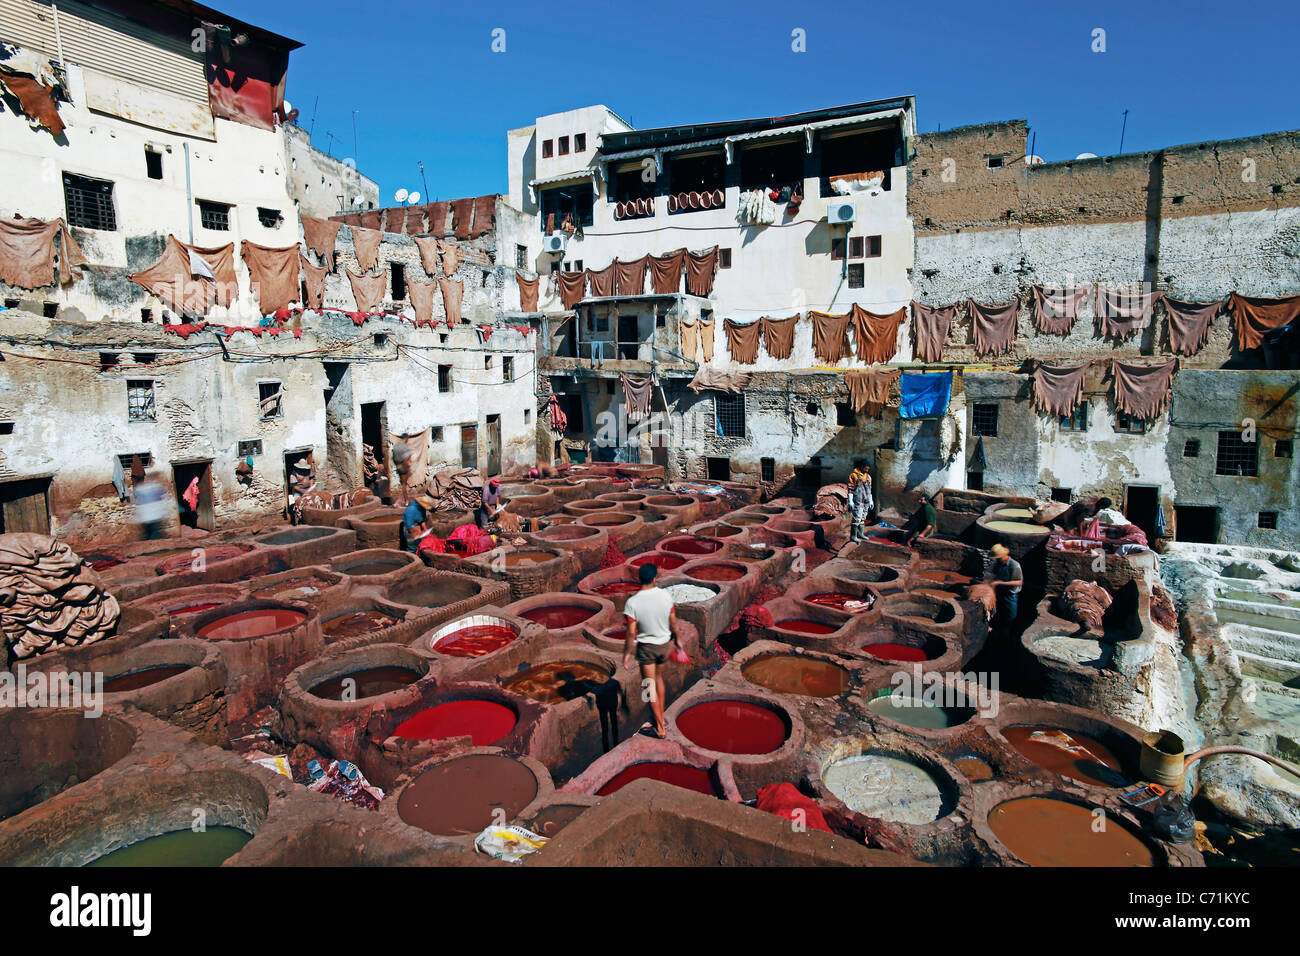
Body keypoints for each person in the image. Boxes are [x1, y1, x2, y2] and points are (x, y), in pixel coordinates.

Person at [622, 563, 682, 739]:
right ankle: (660, 718)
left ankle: (660, 728)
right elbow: (673, 621)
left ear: (639, 579)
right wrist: (677, 640)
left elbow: (631, 632)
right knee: (658, 679)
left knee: (649, 687)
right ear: (655, 577)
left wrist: (627, 654)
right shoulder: (664, 596)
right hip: (664, 644)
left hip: (647, 647)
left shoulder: (632, 602)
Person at [983, 543, 1023, 638]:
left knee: (1010, 615)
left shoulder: (1014, 565)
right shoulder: (997, 563)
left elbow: (1019, 582)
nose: (995, 559)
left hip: (1010, 594)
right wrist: (987, 581)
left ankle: (1007, 635)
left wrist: (999, 583)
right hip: (999, 591)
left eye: (997, 557)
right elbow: (990, 574)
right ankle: (995, 631)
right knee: (997, 611)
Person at [133, 474, 170, 540]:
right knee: (155, 535)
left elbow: (138, 502)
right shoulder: (155, 487)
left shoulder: (140, 489)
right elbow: (164, 491)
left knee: (147, 534)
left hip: (145, 517)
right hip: (155, 515)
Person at [849, 468, 874, 543]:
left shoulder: (868, 477)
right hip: (858, 500)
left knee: (863, 517)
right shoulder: (854, 475)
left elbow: (870, 489)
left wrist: (871, 501)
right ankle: (853, 536)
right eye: (866, 468)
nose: (867, 470)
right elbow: (850, 489)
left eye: (868, 468)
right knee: (857, 517)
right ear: (861, 467)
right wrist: (850, 501)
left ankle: (861, 534)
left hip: (866, 500)